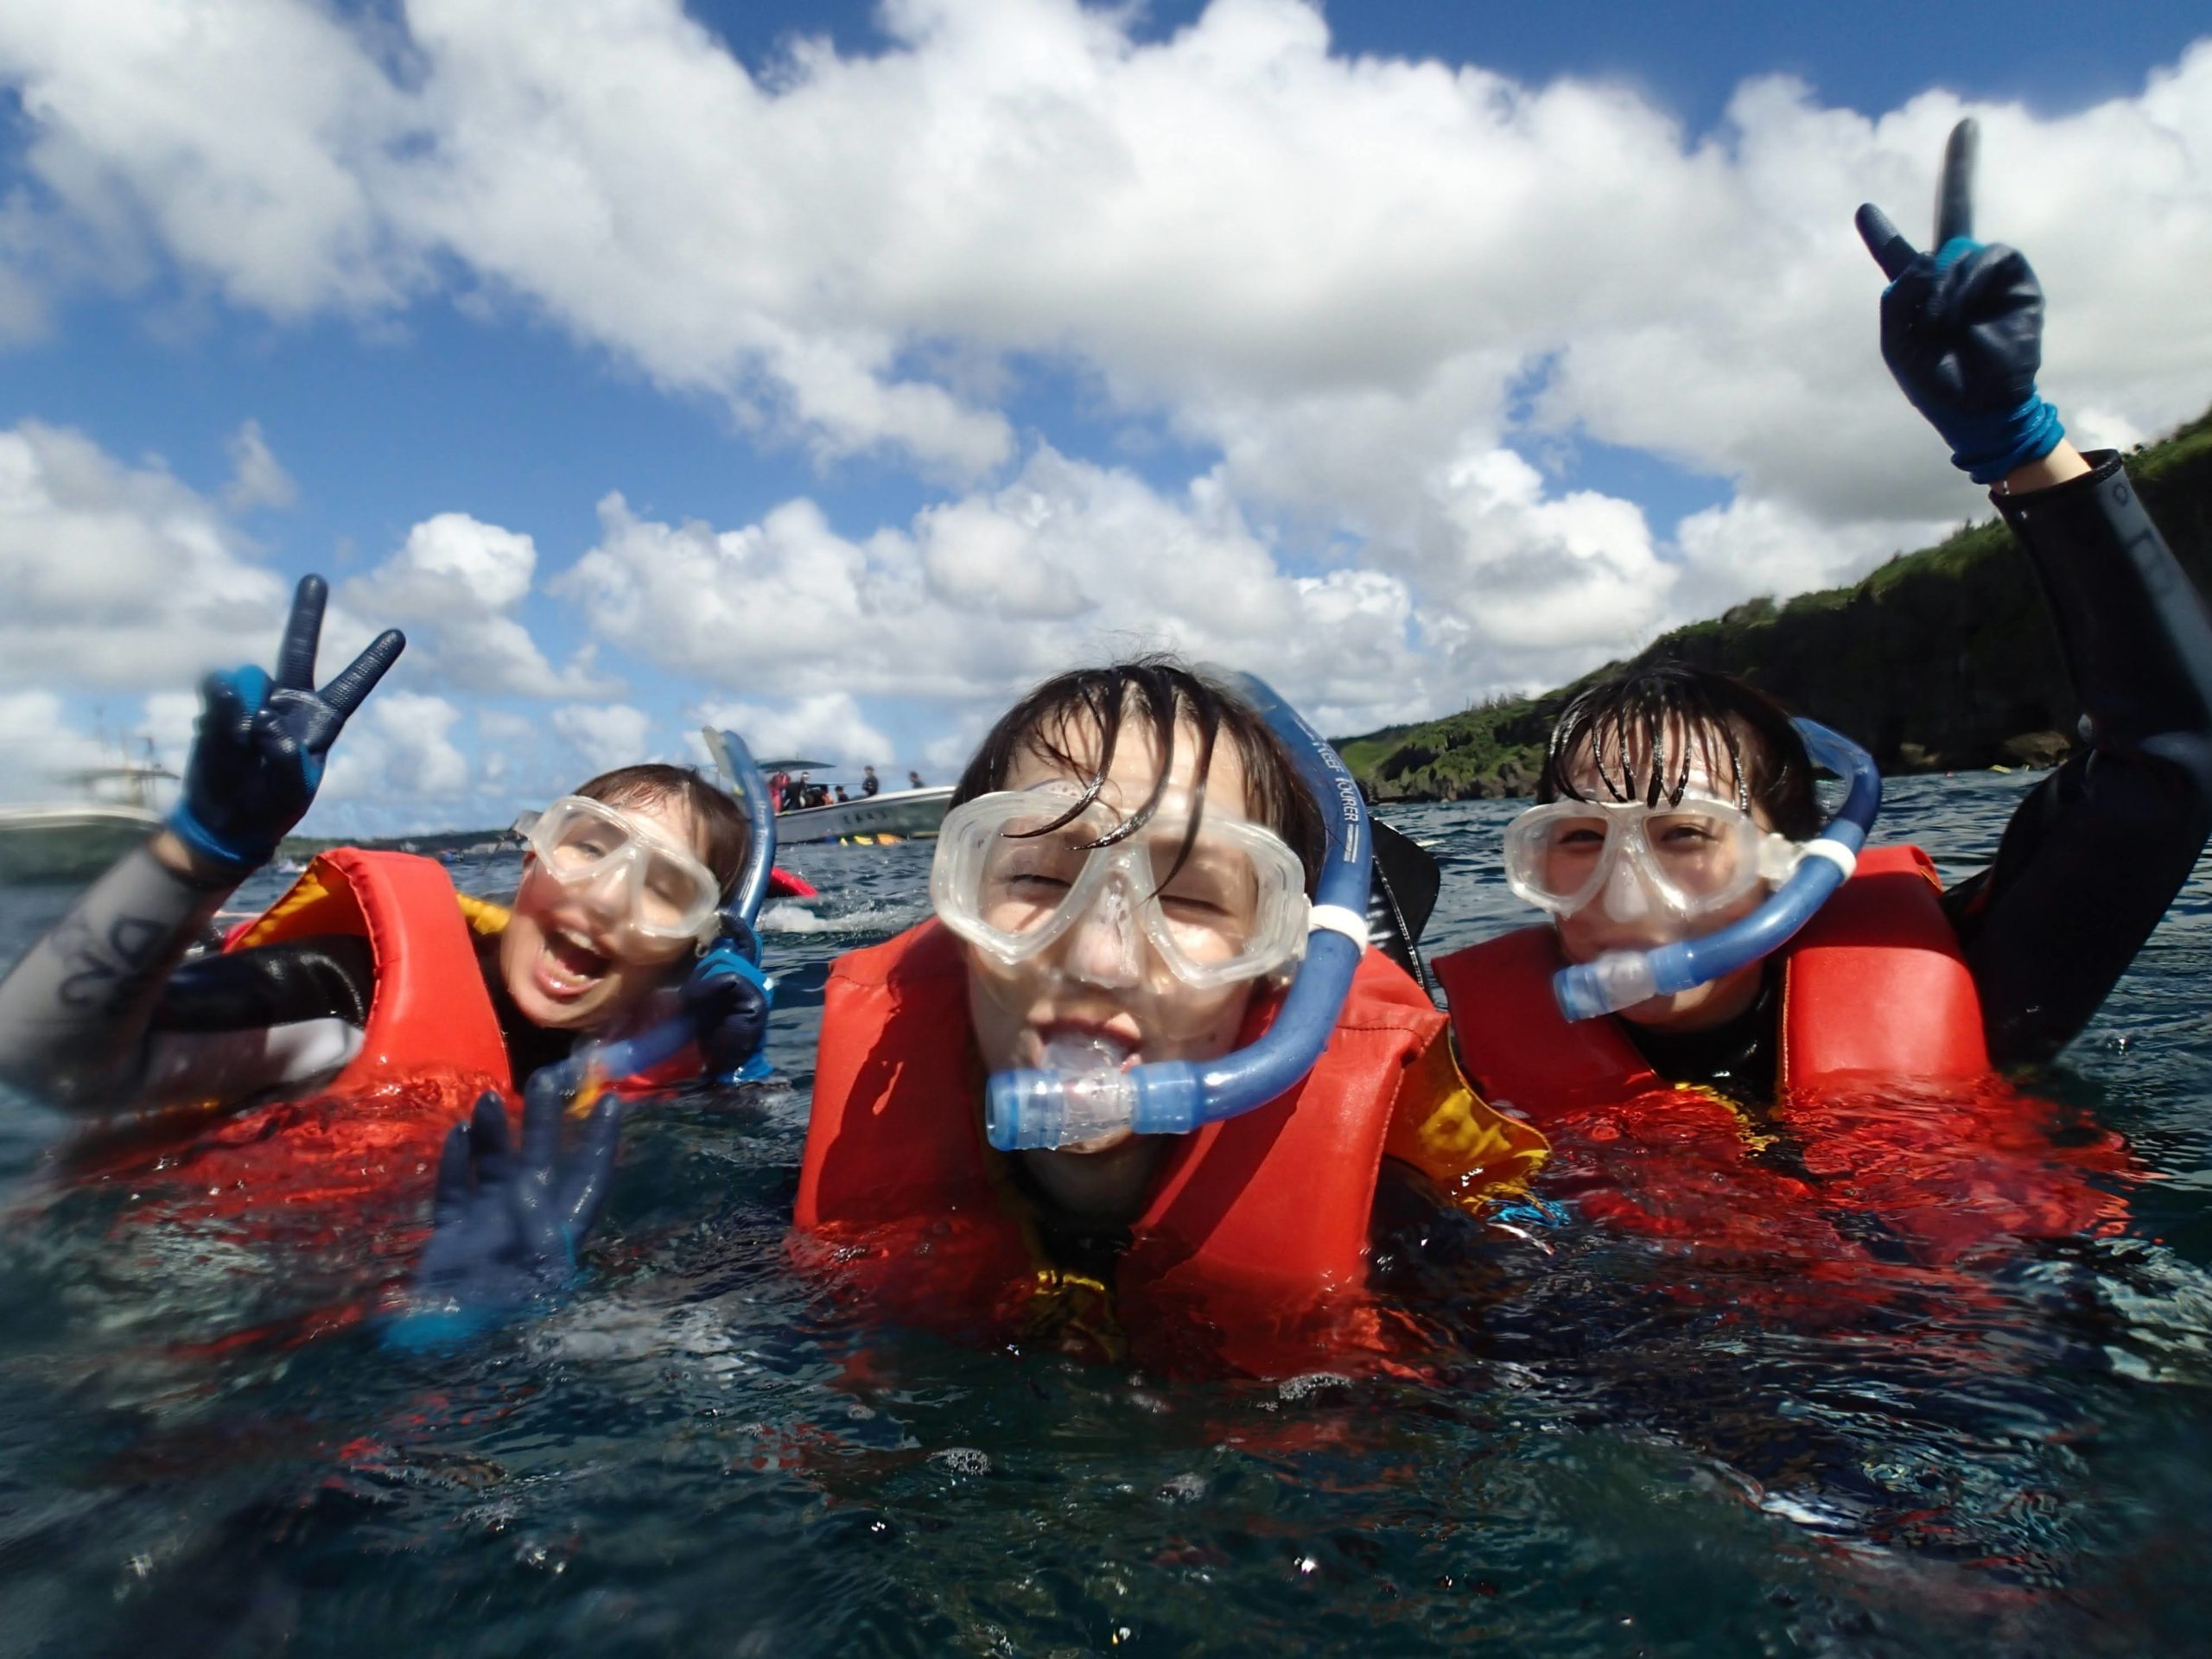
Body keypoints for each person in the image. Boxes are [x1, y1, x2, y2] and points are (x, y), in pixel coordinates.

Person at [1430, 123, 2205, 1265]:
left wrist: (2021, 447)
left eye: (1685, 836)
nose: (1621, 889)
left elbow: (2170, 754)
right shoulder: (1469, 1064)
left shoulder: (1970, 981)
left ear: (1797, 861)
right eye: (1577, 839)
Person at [791, 659, 1545, 1371]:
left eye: (1186, 896)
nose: (1099, 960)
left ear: (1276, 956)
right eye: (1037, 877)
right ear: (959, 911)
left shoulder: (1421, 1256)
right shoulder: (827, 1182)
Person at [0, 576, 773, 1127]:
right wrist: (197, 854)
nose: (606, 896)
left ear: (686, 953)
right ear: (532, 859)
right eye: (588, 848)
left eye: (664, 889)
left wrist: (735, 1081)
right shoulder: (350, 997)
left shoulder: (652, 1056)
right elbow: (45, 1061)